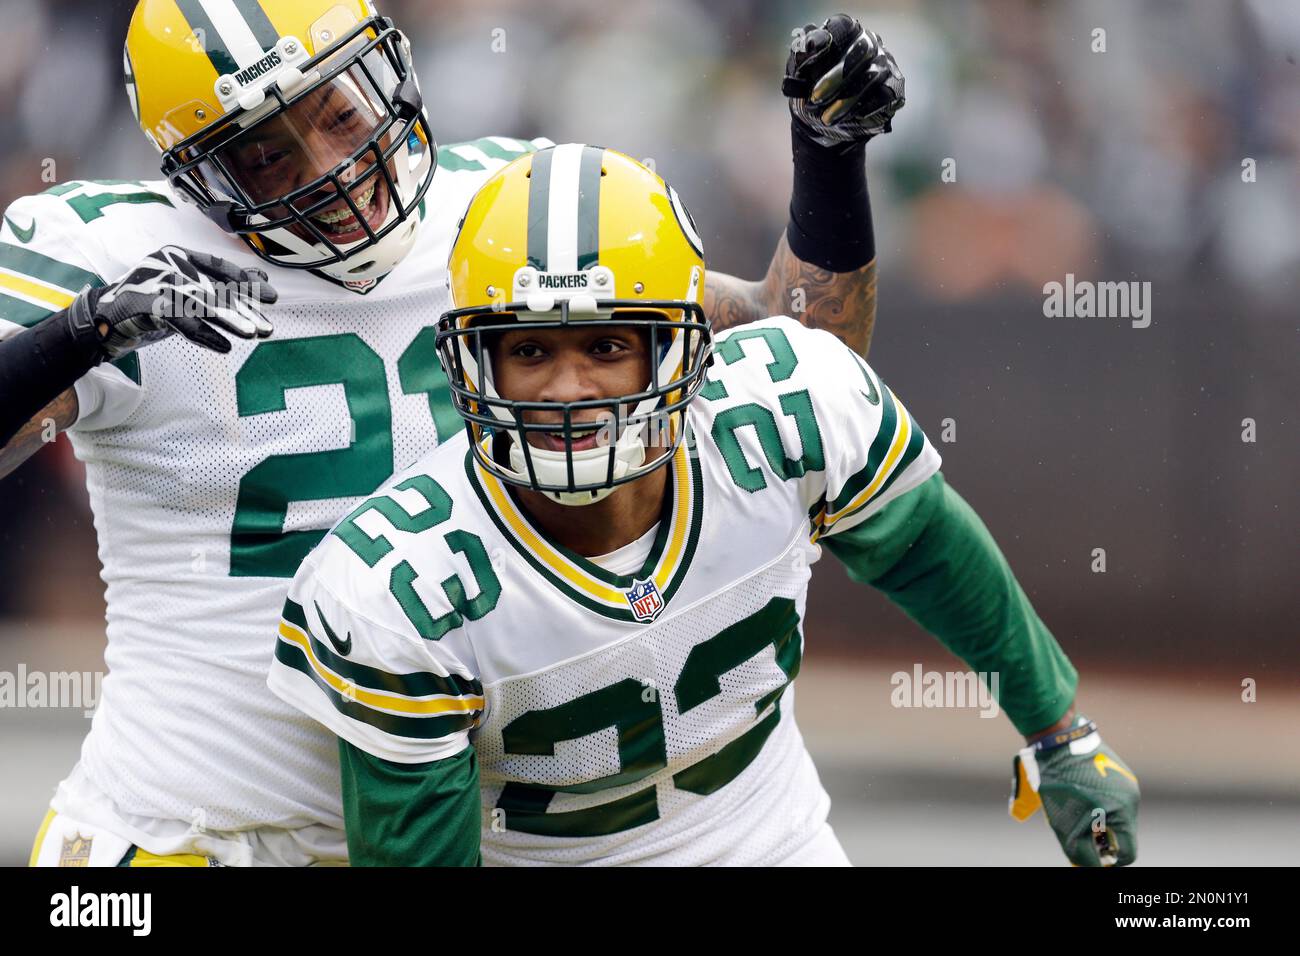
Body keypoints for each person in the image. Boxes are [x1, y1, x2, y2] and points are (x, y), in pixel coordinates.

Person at [10, 3, 899, 866]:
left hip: (445, 833)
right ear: (193, 176)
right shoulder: (107, 253)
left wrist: (827, 163)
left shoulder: (504, 205)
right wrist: (81, 332)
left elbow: (807, 359)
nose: (333, 167)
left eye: (339, 109)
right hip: (192, 838)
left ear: (388, 68)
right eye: (268, 156)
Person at [270, 146, 1141, 866]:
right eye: (529, 349)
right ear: (470, 364)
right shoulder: (400, 588)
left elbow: (930, 553)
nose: (570, 390)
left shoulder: (787, 411)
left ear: (683, 349)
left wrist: (1059, 733)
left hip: (772, 847)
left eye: (607, 345)